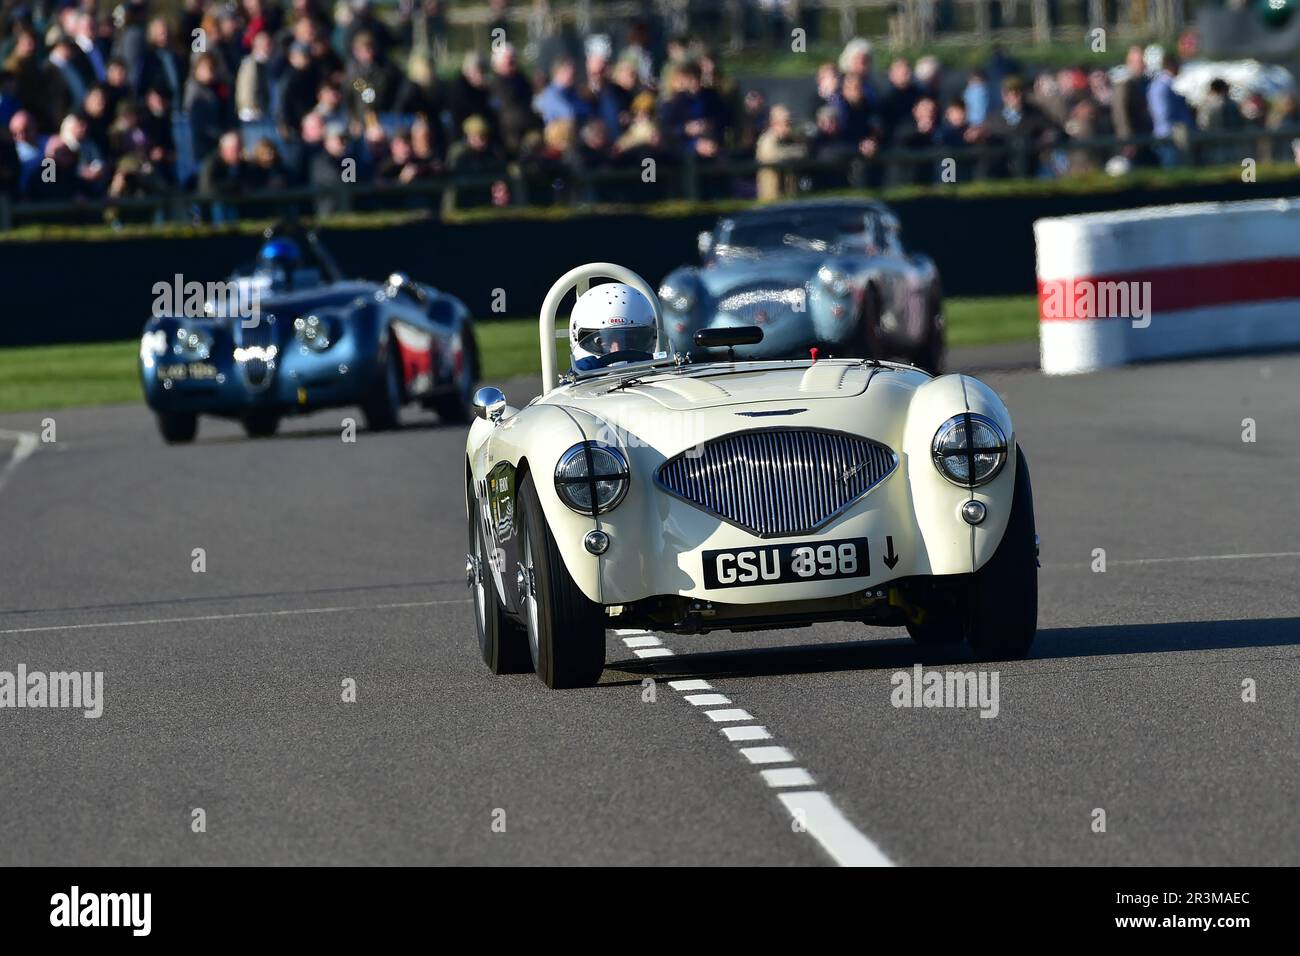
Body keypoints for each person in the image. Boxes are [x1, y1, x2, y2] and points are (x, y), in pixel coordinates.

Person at [567, 282, 659, 372]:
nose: (617, 352)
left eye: (630, 341)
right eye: (602, 342)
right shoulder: (570, 384)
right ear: (576, 337)